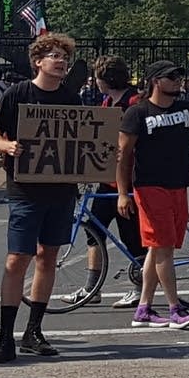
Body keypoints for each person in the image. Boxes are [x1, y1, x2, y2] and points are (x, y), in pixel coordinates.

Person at [0, 34, 80, 364]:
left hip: (62, 189)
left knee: (48, 257)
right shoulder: (17, 94)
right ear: (38, 61)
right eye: (53, 55)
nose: (60, 60)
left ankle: (33, 331)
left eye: (64, 56)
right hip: (25, 189)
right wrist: (7, 147)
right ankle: (4, 337)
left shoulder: (71, 98)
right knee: (16, 260)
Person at [117, 60, 189, 330]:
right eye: (171, 76)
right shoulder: (137, 113)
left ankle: (143, 308)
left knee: (158, 248)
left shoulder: (185, 108)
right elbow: (123, 156)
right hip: (150, 186)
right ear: (155, 81)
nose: (178, 80)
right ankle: (175, 308)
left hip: (178, 184)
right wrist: (123, 193)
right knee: (164, 247)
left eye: (179, 76)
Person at [57, 56, 145, 311]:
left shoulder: (133, 103)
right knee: (92, 230)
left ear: (104, 80)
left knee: (132, 237)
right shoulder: (108, 102)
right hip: (108, 180)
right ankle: (91, 288)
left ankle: (140, 286)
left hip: (129, 180)